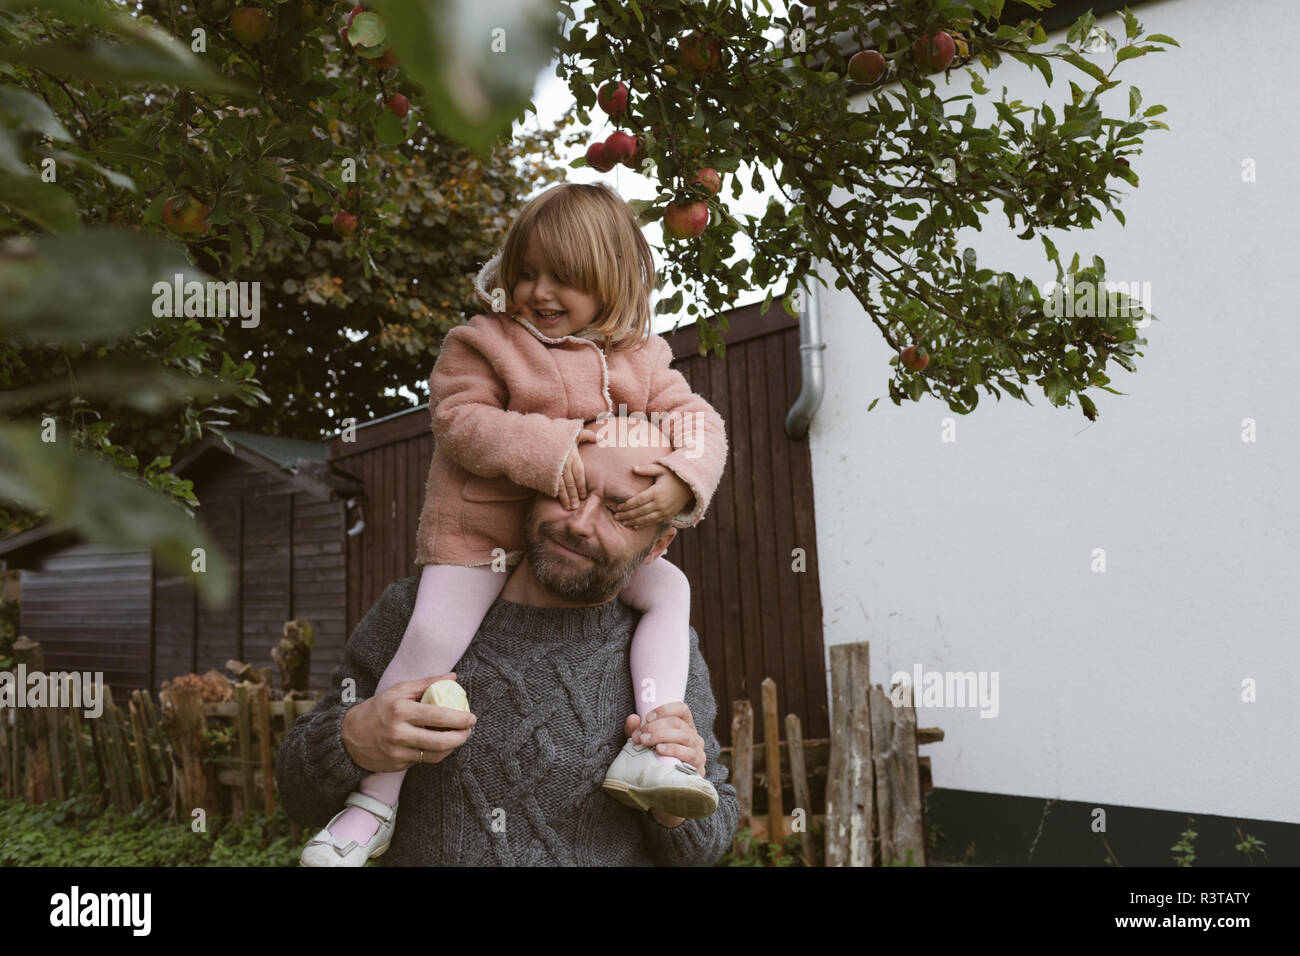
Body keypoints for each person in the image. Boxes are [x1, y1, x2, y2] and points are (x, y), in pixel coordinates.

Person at [297, 182, 730, 865]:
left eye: (565, 278)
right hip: (476, 541)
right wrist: (554, 452)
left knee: (672, 592)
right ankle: (375, 802)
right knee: (434, 636)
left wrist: (685, 474)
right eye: (525, 271)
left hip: (656, 730)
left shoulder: (642, 358)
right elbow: (460, 421)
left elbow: (695, 419)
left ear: (614, 284)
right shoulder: (486, 342)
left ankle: (653, 750)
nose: (538, 291)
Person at [276, 415, 740, 865]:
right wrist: (353, 740)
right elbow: (296, 792)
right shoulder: (415, 613)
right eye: (568, 490)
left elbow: (705, 848)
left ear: (657, 547)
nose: (580, 523)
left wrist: (674, 804)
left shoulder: (661, 650)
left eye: (620, 512)